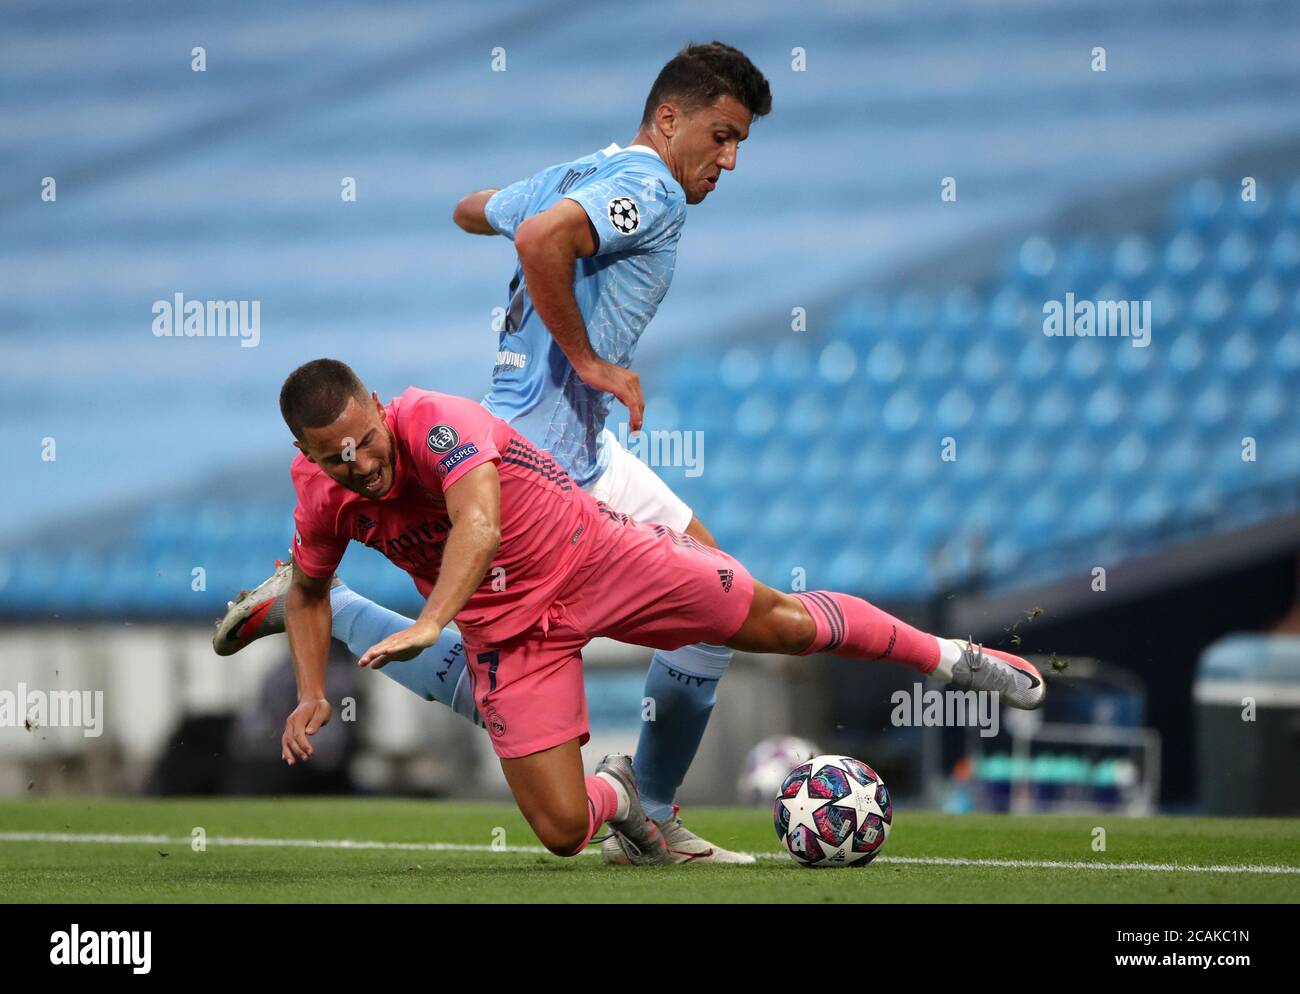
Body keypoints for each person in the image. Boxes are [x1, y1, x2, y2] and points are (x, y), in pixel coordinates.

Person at [217, 41, 775, 864]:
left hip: (575, 438)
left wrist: (544, 197)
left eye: (739, 144)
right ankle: (645, 813)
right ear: (669, 118)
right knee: (651, 632)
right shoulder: (650, 185)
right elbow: (538, 236)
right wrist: (587, 357)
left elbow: (473, 209)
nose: (728, 160)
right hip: (553, 457)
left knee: (713, 610)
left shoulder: (591, 171)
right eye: (722, 135)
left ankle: (647, 810)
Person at [275, 360, 1045, 863]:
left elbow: (479, 525)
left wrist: (431, 619)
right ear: (307, 456)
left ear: (379, 408)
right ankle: (632, 795)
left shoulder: (439, 422)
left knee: (778, 623)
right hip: (508, 629)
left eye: (365, 442)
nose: (360, 465)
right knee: (563, 832)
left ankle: (948, 657)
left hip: (595, 556)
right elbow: (306, 587)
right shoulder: (321, 496)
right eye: (335, 457)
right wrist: (313, 693)